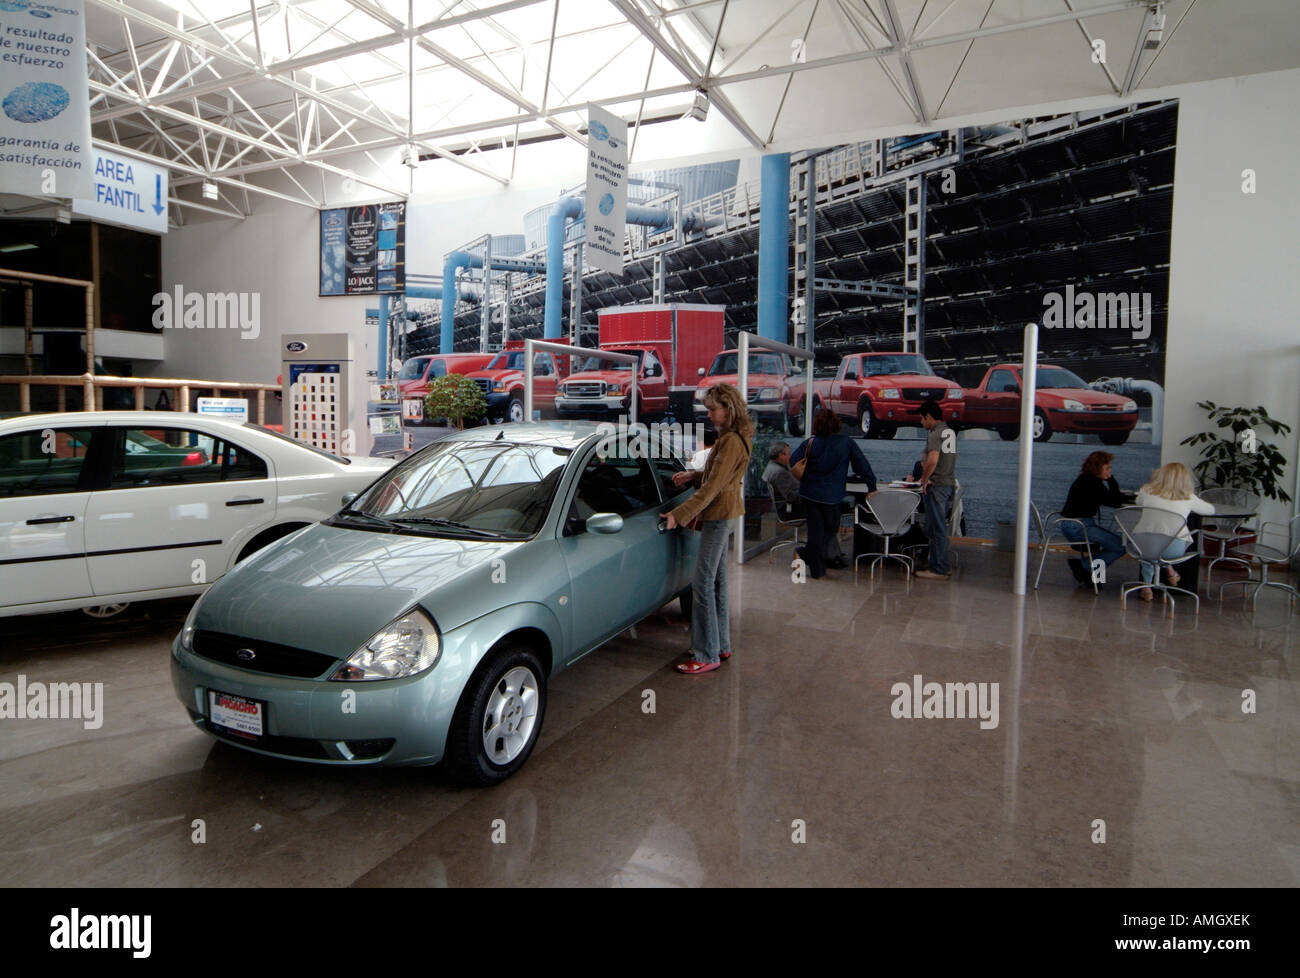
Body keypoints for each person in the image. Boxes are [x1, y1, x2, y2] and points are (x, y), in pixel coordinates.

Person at [662, 383, 754, 675]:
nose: (709, 415)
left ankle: (706, 653)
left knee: (701, 583)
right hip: (724, 513)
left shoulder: (730, 441)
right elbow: (719, 475)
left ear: (729, 408)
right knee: (715, 583)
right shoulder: (735, 436)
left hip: (717, 516)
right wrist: (693, 474)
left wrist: (679, 514)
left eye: (713, 409)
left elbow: (713, 488)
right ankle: (719, 645)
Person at [788, 409, 877, 579]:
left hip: (809, 494)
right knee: (830, 531)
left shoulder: (810, 442)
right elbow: (862, 465)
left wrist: (808, 475)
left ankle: (813, 566)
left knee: (816, 533)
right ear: (836, 424)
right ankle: (808, 560)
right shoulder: (846, 443)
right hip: (832, 496)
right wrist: (871, 485)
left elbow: (793, 461)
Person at [1133, 462, 1215, 601]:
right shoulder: (1188, 497)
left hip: (1143, 545)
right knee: (1165, 544)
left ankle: (1147, 587)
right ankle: (1169, 570)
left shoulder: (1146, 492)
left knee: (1152, 547)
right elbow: (1210, 510)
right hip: (1173, 549)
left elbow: (1138, 502)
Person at [762, 441, 848, 568]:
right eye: (788, 454)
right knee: (828, 514)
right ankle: (828, 555)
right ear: (780, 455)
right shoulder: (779, 473)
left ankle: (831, 553)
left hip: (794, 506)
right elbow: (791, 496)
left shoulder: (774, 467)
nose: (790, 457)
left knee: (830, 513)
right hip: (791, 510)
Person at [1058, 451, 1128, 585]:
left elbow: (1108, 499)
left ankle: (1094, 577)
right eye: (1107, 468)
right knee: (1120, 546)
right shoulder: (1093, 483)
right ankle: (1083, 565)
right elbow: (1115, 502)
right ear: (1098, 468)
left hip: (1074, 524)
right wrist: (1111, 480)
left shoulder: (1085, 479)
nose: (1109, 471)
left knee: (1109, 543)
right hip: (1079, 527)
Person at [915, 399, 957, 580]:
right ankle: (937, 563)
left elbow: (932, 460)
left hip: (937, 485)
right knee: (936, 527)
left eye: (922, 419)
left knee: (937, 529)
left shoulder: (934, 434)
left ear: (929, 416)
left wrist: (923, 480)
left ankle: (940, 568)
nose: (921, 423)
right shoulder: (949, 432)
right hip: (948, 484)